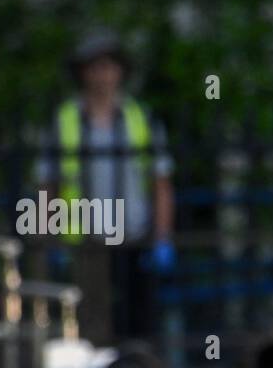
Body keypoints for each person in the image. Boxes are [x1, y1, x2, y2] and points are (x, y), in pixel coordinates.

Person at [36, 30, 176, 346]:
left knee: (138, 325)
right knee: (90, 327)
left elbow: (160, 183)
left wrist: (162, 237)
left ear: (121, 72)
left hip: (134, 236)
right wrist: (50, 236)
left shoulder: (140, 118)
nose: (103, 76)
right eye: (95, 67)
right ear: (82, 73)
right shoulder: (65, 120)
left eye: (109, 67)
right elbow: (48, 185)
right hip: (85, 241)